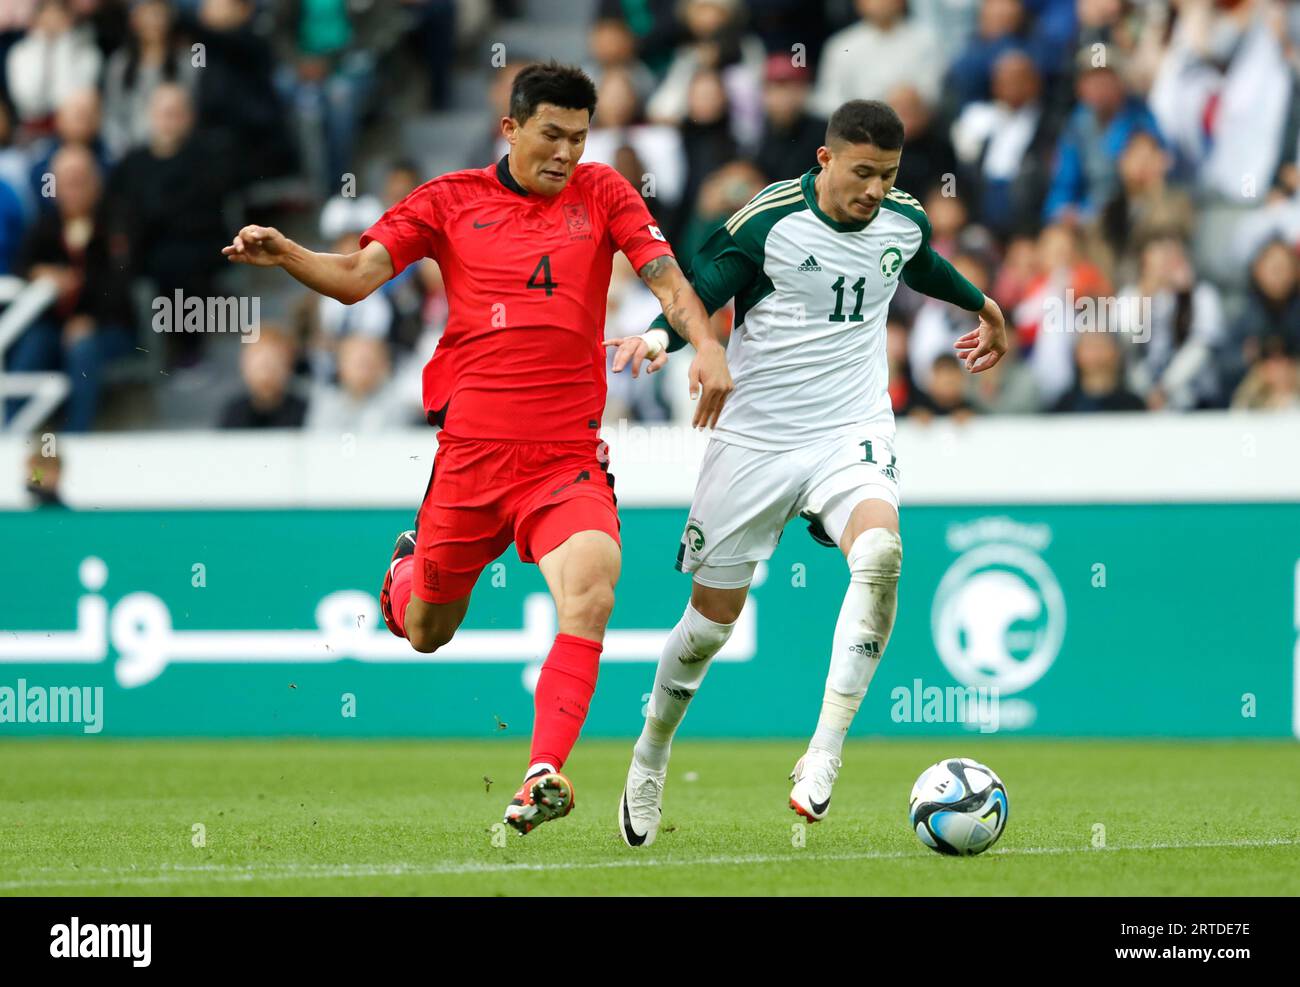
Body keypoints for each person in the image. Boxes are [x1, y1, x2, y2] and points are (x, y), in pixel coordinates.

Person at [222, 61, 733, 836]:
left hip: (564, 460)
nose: (566, 153)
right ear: (511, 128)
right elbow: (361, 276)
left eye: (579, 138)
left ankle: (541, 771)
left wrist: (704, 343)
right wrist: (289, 253)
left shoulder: (604, 194)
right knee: (427, 630)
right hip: (470, 460)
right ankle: (404, 570)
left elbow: (665, 277)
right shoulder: (450, 200)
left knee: (593, 584)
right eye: (551, 135)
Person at [612, 100, 1007, 846]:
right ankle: (651, 750)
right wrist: (667, 339)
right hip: (756, 439)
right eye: (862, 173)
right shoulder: (770, 220)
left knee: (881, 554)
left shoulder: (901, 217)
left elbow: (920, 264)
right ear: (825, 161)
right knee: (706, 629)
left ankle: (823, 752)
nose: (874, 190)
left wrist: (985, 306)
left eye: (887, 175)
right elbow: (704, 285)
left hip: (849, 428)